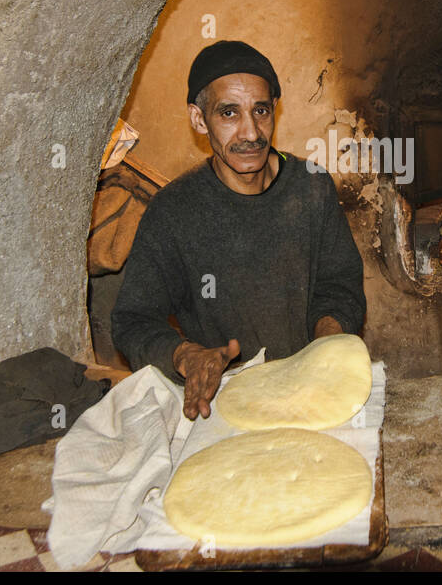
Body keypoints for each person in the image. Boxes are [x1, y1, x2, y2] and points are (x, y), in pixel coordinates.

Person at [111, 40, 366, 421]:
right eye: (229, 113)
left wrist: (326, 346)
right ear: (199, 119)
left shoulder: (312, 187)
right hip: (223, 404)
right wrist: (186, 356)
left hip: (313, 391)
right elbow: (133, 320)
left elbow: (340, 285)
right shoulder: (174, 211)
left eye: (260, 111)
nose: (251, 132)